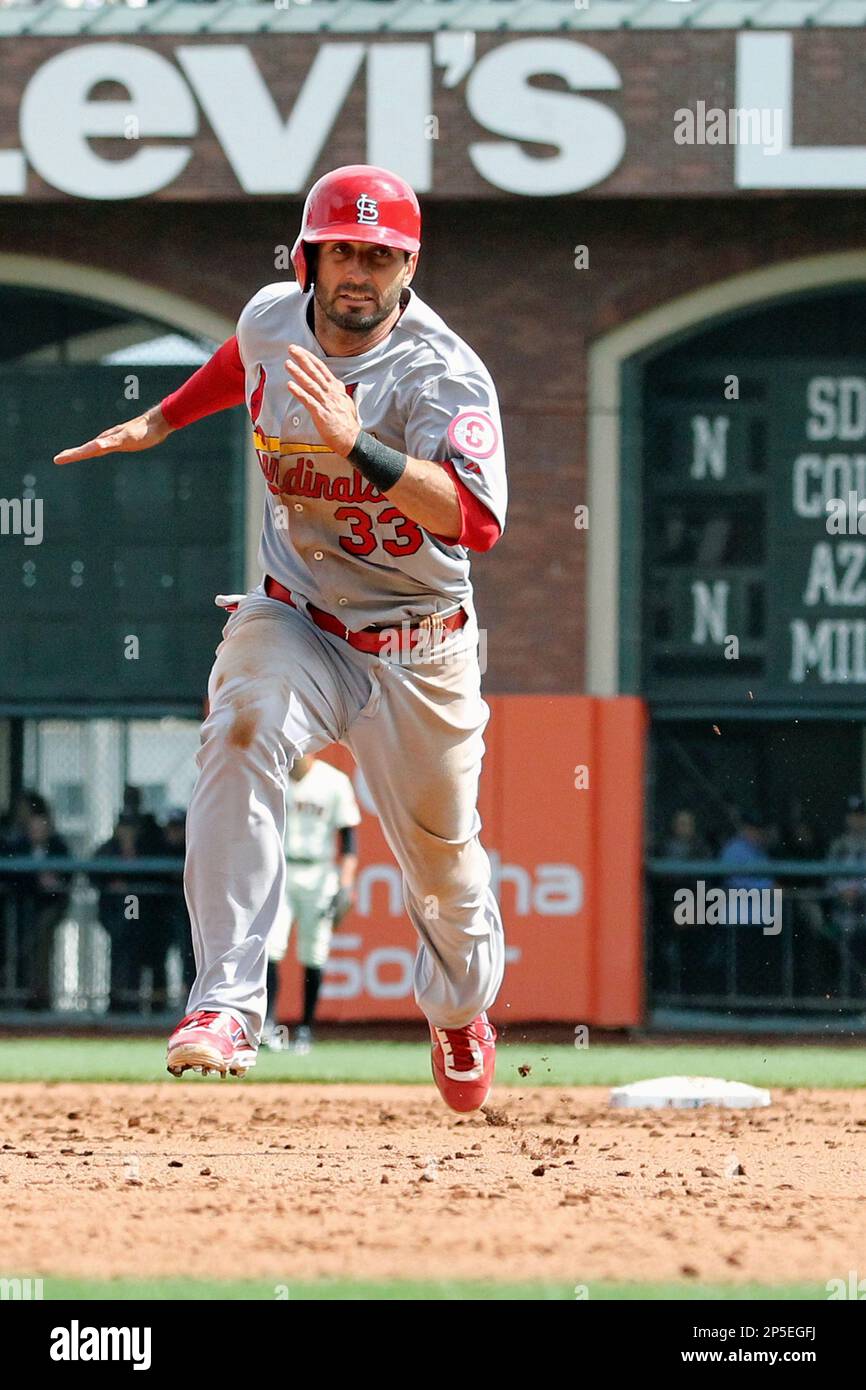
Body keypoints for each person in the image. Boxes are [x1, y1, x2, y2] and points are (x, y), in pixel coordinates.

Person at [54, 165, 506, 1112]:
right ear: (310, 256)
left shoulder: (441, 373)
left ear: (409, 266)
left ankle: (460, 1011)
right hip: (297, 614)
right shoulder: (274, 316)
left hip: (420, 643)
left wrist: (359, 447)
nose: (361, 272)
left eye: (381, 257)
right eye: (345, 249)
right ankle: (224, 1003)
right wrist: (161, 418)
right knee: (242, 727)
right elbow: (244, 356)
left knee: (443, 865)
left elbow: (476, 519)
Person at [264, 754, 360, 1054]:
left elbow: (349, 840)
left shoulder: (334, 781)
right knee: (270, 947)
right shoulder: (273, 778)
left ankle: (305, 1029)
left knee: (314, 952)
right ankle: (269, 1026)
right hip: (279, 869)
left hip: (319, 871)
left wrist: (346, 884)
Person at [4, 796, 70, 1010]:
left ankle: (39, 996)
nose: (38, 830)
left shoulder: (58, 846)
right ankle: (16, 994)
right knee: (17, 947)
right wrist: (37, 880)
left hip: (50, 906)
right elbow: (12, 878)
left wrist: (54, 881)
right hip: (21, 908)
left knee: (41, 943)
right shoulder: (18, 846)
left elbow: (68, 875)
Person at [826, 794, 866, 987]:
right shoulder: (837, 845)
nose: (856, 820)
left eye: (860, 815)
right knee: (845, 966)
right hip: (843, 915)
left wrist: (859, 892)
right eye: (852, 816)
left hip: (863, 914)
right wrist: (841, 893)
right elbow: (829, 878)